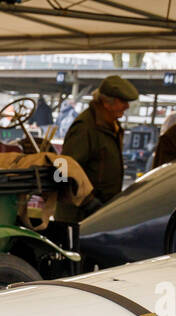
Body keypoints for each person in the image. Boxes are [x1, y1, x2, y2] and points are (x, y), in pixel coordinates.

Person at [59, 74, 139, 223]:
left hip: (99, 213)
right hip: (78, 217)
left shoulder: (111, 126)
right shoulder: (85, 128)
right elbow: (62, 172)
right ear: (107, 103)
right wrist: (88, 202)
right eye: (123, 101)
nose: (127, 106)